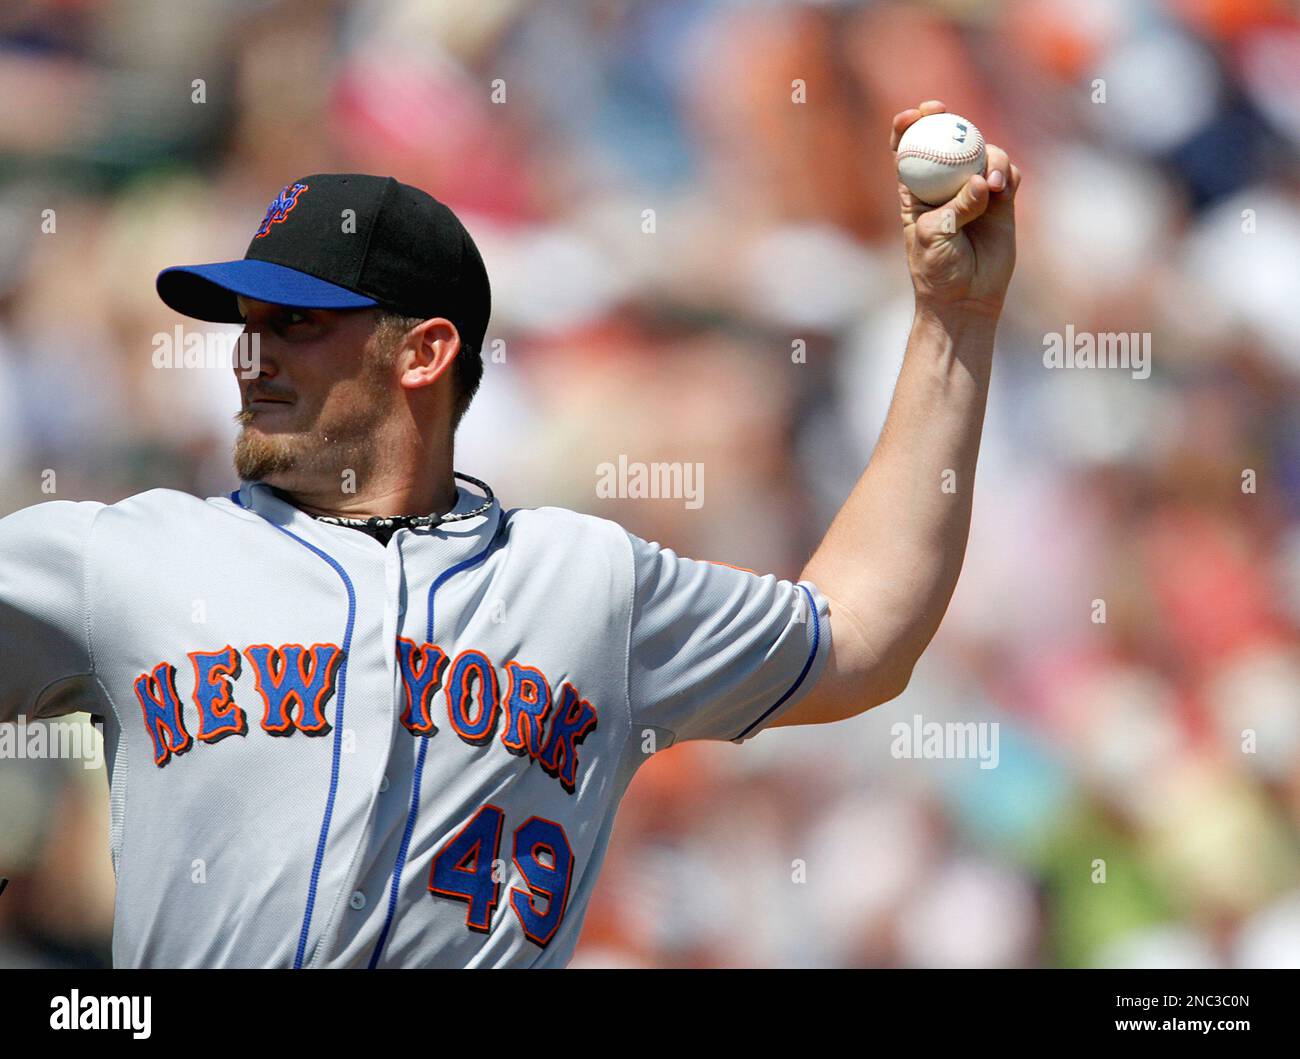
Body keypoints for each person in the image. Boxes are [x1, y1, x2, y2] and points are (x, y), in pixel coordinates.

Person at [0, 102, 1019, 967]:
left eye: (298, 325)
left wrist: (952, 320)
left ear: (424, 352)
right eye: (247, 322)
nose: (251, 357)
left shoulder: (586, 583)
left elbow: (860, 637)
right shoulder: (124, 560)